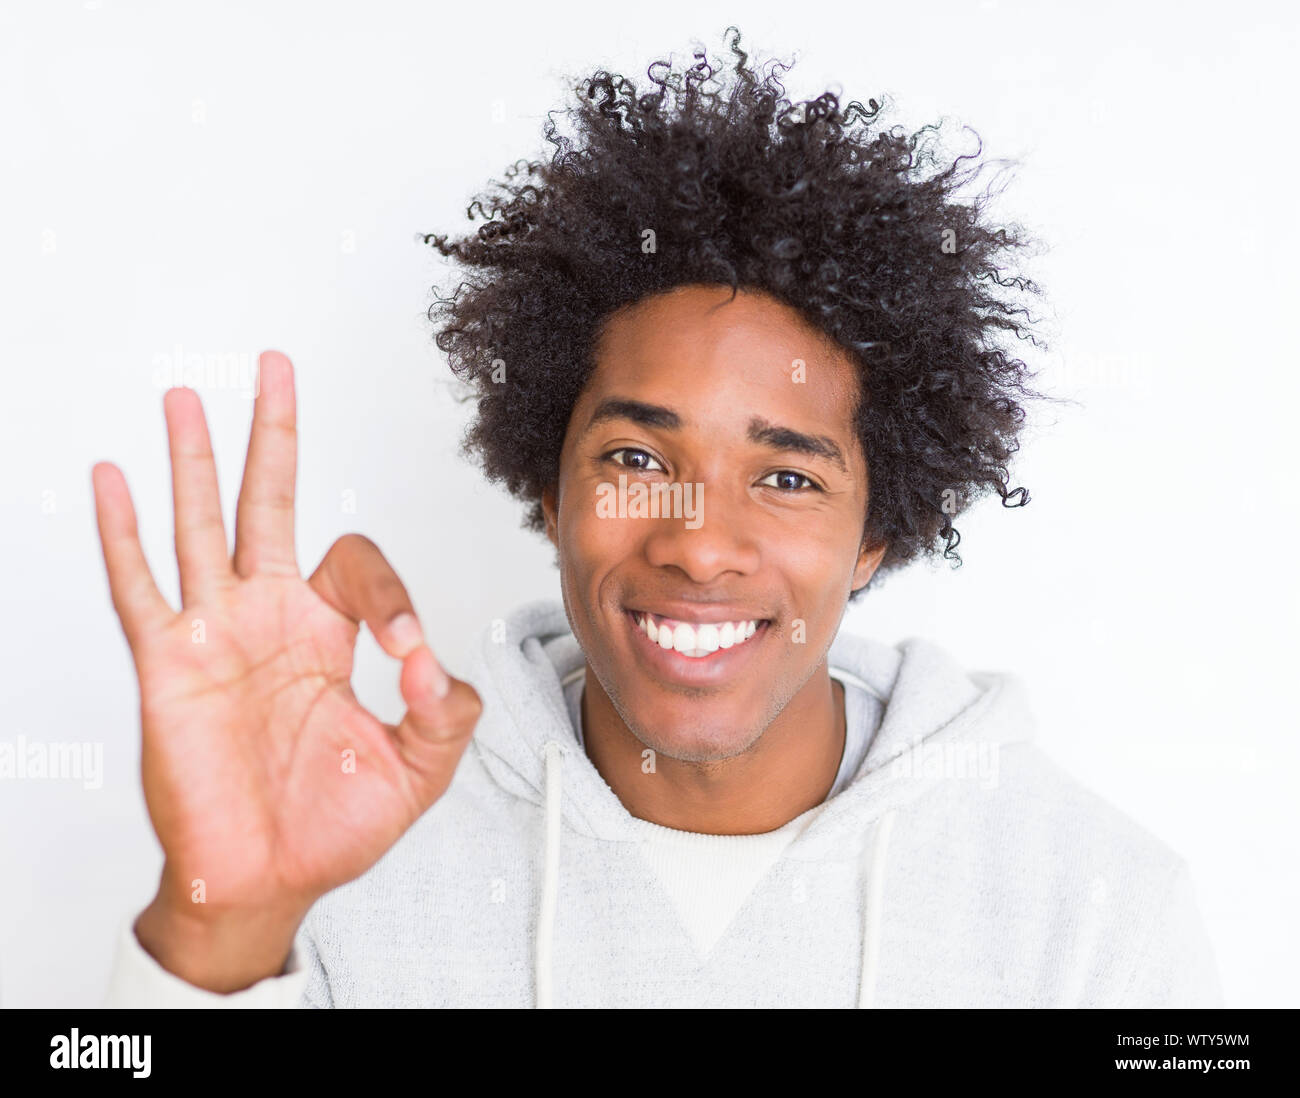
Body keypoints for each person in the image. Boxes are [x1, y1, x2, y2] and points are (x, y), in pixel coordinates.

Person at [96, 30, 1222, 1008]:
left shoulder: (1093, 909)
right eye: (636, 457)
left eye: (785, 478)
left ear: (878, 531)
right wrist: (213, 929)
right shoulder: (351, 852)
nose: (695, 542)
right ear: (549, 488)